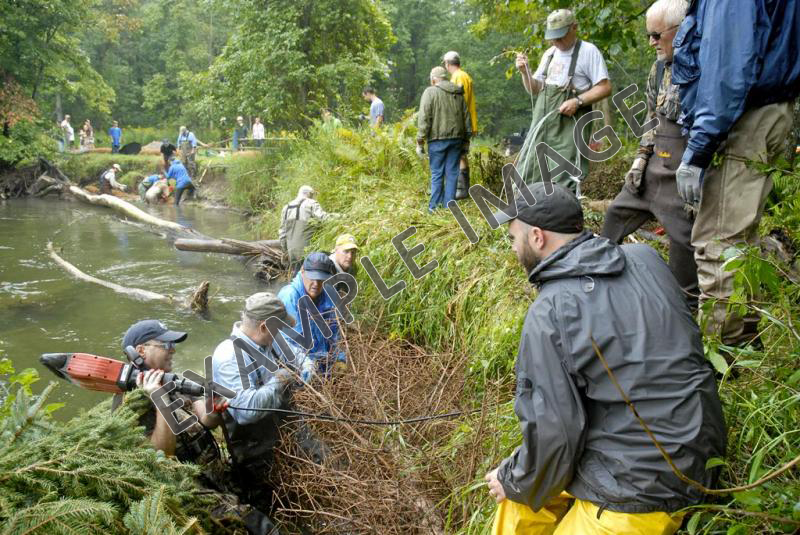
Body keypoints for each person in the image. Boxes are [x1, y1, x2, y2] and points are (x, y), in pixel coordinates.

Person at [484, 183, 726, 534]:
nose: (513, 247)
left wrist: (512, 478)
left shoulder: (549, 310)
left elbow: (556, 431)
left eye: (512, 238)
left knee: (518, 490)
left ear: (537, 237)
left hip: (641, 491)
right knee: (519, 503)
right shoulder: (646, 259)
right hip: (702, 454)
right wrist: (518, 482)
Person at [672, 0, 800, 348]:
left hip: (739, 119)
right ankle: (745, 345)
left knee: (719, 243)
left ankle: (722, 363)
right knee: (741, 241)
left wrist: (699, 149)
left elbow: (728, 69)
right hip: (762, 111)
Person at [122, 319, 277, 534]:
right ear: (140, 351)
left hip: (213, 472)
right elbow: (162, 453)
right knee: (258, 526)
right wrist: (159, 399)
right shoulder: (131, 401)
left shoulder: (173, 380)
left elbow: (206, 420)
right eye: (166, 345)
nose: (173, 350)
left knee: (263, 494)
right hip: (189, 488)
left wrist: (215, 408)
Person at [601, 0, 697, 310]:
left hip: (682, 172)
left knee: (684, 244)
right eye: (648, 36)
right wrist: (640, 159)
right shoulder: (657, 70)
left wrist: (697, 168)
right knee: (614, 216)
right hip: (651, 167)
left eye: (656, 35)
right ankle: (597, 285)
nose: (652, 43)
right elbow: (651, 119)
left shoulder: (704, 65)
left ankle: (687, 313)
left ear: (681, 31)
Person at [211, 292, 316, 482]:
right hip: (254, 453)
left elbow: (302, 359)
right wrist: (281, 379)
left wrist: (307, 372)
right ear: (264, 327)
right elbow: (246, 412)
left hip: (286, 434)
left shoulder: (273, 342)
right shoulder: (228, 357)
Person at [514, 8, 611, 192]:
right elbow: (535, 90)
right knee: (529, 169)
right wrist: (524, 72)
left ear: (574, 27)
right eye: (552, 37)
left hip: (570, 129)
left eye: (560, 36)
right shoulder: (549, 54)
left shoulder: (588, 52)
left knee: (563, 178)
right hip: (542, 126)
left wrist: (578, 101)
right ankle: (528, 216)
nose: (555, 41)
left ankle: (561, 219)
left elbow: (605, 87)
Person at [278, 253, 345, 375]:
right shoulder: (290, 297)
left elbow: (334, 333)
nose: (316, 284)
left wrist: (339, 358)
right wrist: (308, 366)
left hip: (322, 364)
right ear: (302, 271)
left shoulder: (327, 294)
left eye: (320, 279)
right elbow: (290, 343)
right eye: (312, 278)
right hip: (298, 366)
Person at [416, 66, 471, 213]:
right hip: (456, 140)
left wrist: (420, 141)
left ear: (433, 79)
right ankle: (449, 208)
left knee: (437, 173)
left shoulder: (430, 92)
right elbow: (466, 118)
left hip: (437, 139)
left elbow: (424, 118)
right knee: (452, 173)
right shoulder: (458, 93)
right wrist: (466, 141)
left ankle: (434, 208)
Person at [443, 50, 476, 199]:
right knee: (460, 155)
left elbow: (457, 103)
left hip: (462, 123)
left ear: (447, 63)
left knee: (460, 155)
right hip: (464, 121)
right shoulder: (461, 75)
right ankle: (461, 189)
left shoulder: (459, 77)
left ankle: (462, 190)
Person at [278, 185, 333, 270]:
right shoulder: (311, 203)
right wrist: (343, 217)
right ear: (310, 194)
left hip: (292, 253)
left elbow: (282, 234)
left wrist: (286, 251)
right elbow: (324, 218)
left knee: (297, 276)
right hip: (308, 252)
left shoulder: (286, 208)